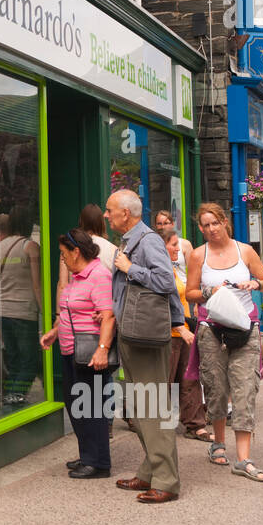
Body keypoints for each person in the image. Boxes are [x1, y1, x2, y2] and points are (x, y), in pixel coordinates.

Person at [185, 202, 263, 482]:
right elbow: (189, 293)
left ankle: (244, 459)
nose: (211, 229)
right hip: (212, 329)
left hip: (245, 328)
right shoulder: (198, 255)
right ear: (200, 228)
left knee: (245, 388)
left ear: (225, 222)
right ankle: (218, 444)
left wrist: (256, 284)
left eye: (215, 223)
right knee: (216, 387)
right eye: (205, 225)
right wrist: (210, 290)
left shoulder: (245, 251)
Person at [104, 189, 181, 503]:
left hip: (146, 337)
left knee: (153, 407)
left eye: (110, 211)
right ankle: (150, 471)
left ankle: (166, 480)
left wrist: (128, 269)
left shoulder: (146, 240)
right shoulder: (131, 241)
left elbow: (166, 281)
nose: (107, 216)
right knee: (141, 407)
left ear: (126, 213)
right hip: (134, 335)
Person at [41, 230, 116, 478]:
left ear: (76, 251)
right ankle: (87, 456)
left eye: (64, 254)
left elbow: (108, 316)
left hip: (90, 352)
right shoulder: (78, 277)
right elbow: (70, 312)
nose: (62, 259)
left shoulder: (98, 275)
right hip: (70, 349)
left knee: (92, 408)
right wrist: (55, 332)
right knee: (76, 405)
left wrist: (102, 350)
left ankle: (99, 463)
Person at [160, 225, 210, 441]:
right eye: (173, 245)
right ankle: (152, 428)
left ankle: (195, 424)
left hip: (185, 331)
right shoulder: (159, 270)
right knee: (164, 382)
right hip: (168, 334)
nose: (177, 250)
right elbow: (159, 304)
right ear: (161, 246)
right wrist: (179, 326)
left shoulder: (171, 269)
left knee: (190, 379)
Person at [0, 208, 42, 406]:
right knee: (29, 360)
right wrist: (45, 311)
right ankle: (14, 397)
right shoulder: (31, 247)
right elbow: (37, 285)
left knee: (13, 358)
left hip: (3, 312)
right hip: (24, 312)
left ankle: (12, 396)